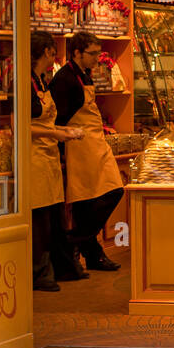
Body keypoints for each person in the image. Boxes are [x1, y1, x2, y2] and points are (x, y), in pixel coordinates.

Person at [50, 30, 125, 273]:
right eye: (92, 54)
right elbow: (57, 118)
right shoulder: (64, 79)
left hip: (95, 143)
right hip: (79, 147)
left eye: (98, 53)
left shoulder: (84, 74)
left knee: (111, 191)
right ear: (77, 53)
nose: (97, 58)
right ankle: (86, 247)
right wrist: (63, 143)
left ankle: (83, 245)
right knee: (98, 197)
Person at [28, 31, 82, 291]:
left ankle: (57, 268)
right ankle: (40, 273)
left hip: (48, 155)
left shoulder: (41, 80)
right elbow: (23, 128)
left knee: (53, 215)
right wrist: (58, 132)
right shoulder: (25, 84)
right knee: (40, 217)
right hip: (33, 157)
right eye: (52, 52)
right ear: (46, 52)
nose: (55, 57)